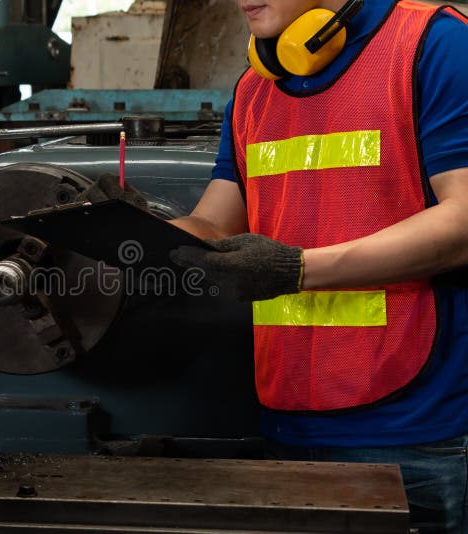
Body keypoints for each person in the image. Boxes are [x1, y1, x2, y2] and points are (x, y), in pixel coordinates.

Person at [163, 0, 468, 530]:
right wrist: (122, 228)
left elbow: (463, 224)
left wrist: (297, 268)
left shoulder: (433, 45)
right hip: (288, 418)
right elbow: (214, 224)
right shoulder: (255, 89)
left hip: (416, 431)